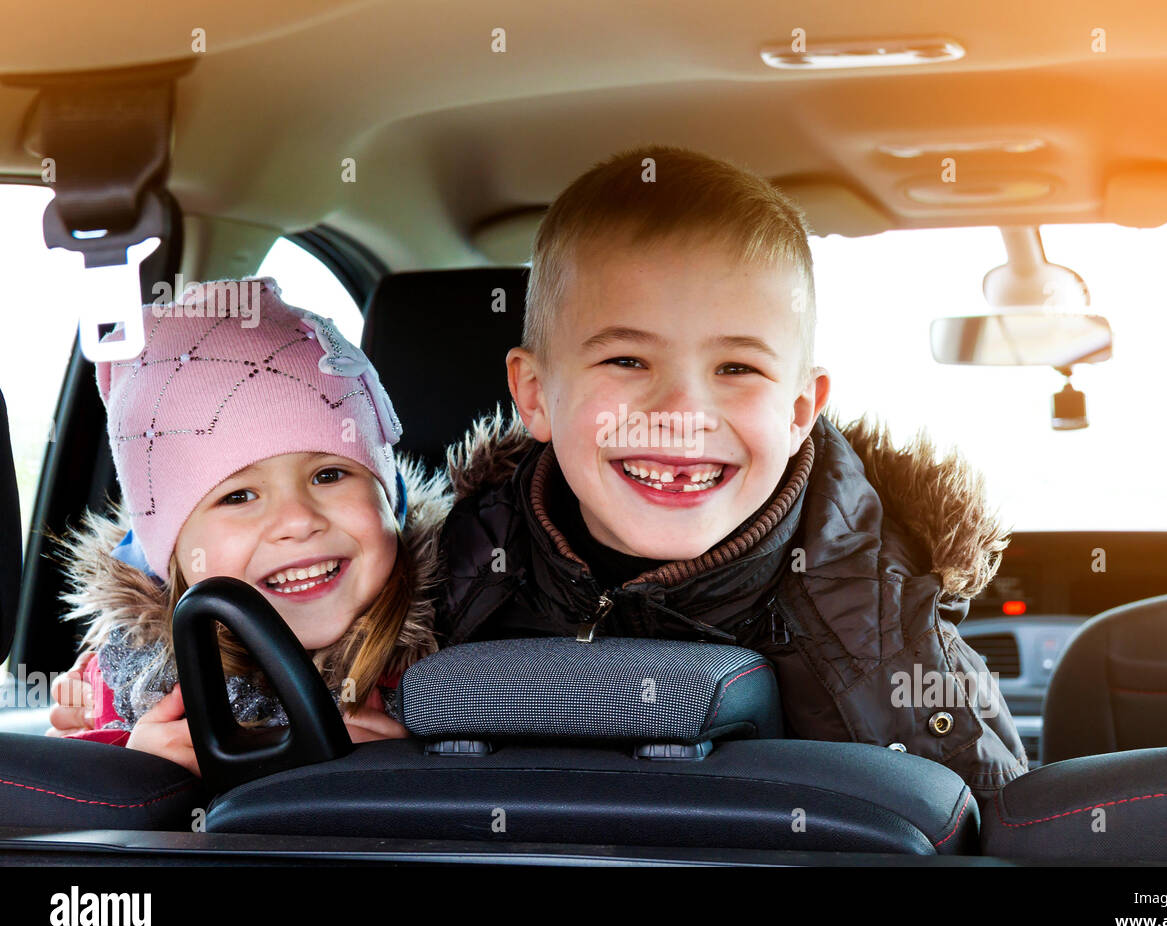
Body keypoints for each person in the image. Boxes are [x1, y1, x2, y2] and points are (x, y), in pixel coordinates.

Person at [431, 145, 1029, 808]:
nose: (684, 414)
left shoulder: (886, 635)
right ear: (536, 394)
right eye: (627, 360)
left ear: (800, 410)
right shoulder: (441, 592)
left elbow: (992, 829)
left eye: (736, 368)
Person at [45, 277, 444, 775]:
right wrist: (142, 775)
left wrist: (411, 770)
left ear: (390, 501)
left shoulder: (464, 650)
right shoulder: (124, 687)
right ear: (168, 553)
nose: (298, 522)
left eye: (329, 474)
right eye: (238, 496)